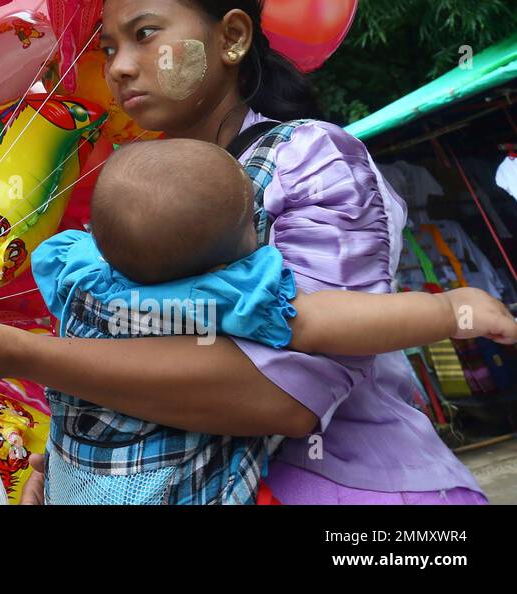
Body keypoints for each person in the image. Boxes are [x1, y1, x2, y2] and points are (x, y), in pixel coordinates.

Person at [0, 0, 498, 504]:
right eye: (108, 49)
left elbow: (284, 395)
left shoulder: (308, 158)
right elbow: (121, 342)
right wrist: (62, 462)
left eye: (145, 35)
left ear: (232, 37)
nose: (121, 67)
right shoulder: (137, 190)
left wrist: (16, 353)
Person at [36, 137, 515, 503]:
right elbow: (320, 320)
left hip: (76, 474)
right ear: (222, 265)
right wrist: (449, 310)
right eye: (251, 223)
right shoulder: (225, 293)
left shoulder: (73, 266)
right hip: (158, 483)